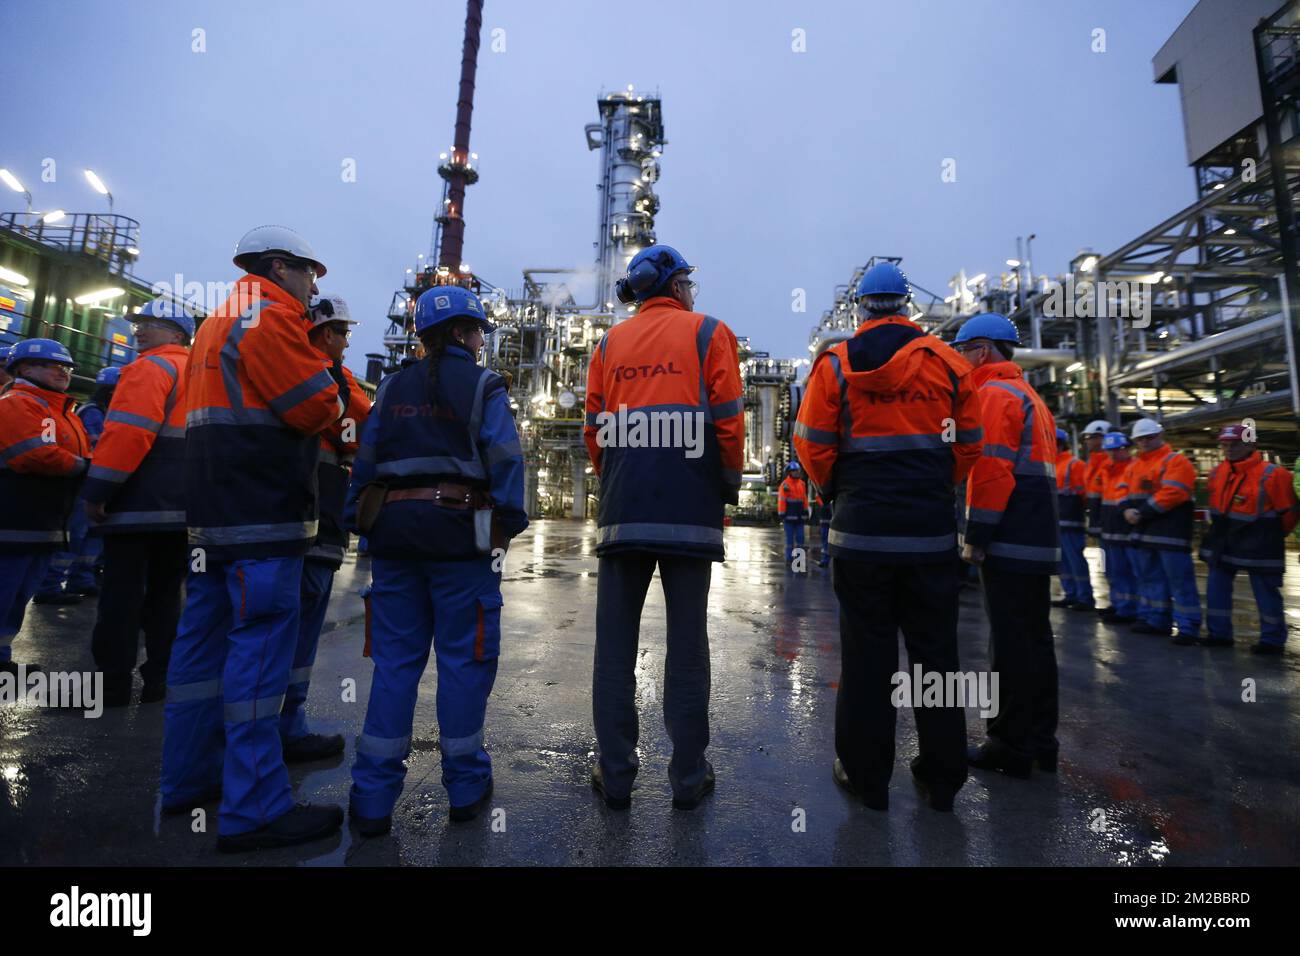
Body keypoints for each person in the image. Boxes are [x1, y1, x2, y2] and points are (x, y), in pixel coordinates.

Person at [161, 225, 349, 852]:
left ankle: (188, 781)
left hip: (212, 512)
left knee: (199, 653)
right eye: (309, 272)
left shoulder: (219, 319)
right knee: (260, 655)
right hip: (262, 510)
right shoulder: (269, 317)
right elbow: (317, 406)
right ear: (279, 267)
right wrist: (330, 385)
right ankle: (255, 808)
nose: (313, 285)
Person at [794, 261, 982, 811]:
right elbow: (970, 445)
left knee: (867, 658)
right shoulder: (949, 365)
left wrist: (841, 492)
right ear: (907, 307)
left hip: (862, 538)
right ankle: (942, 777)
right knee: (936, 658)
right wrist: (932, 488)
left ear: (860, 309)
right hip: (929, 538)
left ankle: (866, 777)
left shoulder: (835, 365)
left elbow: (810, 444)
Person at [346, 285, 527, 835]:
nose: (480, 339)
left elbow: (365, 463)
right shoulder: (482, 384)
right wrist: (501, 529)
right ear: (459, 333)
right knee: (463, 665)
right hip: (459, 539)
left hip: (395, 540)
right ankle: (466, 788)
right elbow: (507, 463)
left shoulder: (391, 388)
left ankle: (372, 799)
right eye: (476, 330)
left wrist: (363, 521)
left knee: (395, 666)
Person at [583, 244, 744, 812]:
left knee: (614, 648)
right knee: (687, 647)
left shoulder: (609, 343)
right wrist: (725, 485)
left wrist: (619, 477)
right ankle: (687, 778)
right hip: (689, 514)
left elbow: (594, 429)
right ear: (675, 287)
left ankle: (618, 776)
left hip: (624, 511)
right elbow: (727, 420)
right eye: (688, 284)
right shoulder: (708, 333)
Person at [954, 313, 1060, 780]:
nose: (958, 361)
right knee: (1036, 642)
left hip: (1009, 538)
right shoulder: (1030, 396)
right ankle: (1040, 743)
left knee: (1010, 645)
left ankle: (1009, 746)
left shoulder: (993, 396)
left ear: (981, 351)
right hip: (1035, 536)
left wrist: (977, 536)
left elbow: (991, 472)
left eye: (961, 351)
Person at [80, 299, 193, 707]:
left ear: (177, 334)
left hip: (137, 505)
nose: (139, 331)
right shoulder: (204, 375)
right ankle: (159, 682)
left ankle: (110, 688)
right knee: (166, 597)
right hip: (183, 510)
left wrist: (98, 493)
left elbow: (129, 434)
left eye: (151, 324)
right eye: (139, 324)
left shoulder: (150, 368)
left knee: (120, 598)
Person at [280, 294, 371, 760]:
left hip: (307, 507)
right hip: (311, 506)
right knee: (298, 612)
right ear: (323, 333)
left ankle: (276, 722)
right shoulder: (320, 373)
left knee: (290, 612)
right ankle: (285, 726)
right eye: (343, 333)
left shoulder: (317, 370)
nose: (347, 341)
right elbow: (359, 419)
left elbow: (357, 422)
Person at [0, 339, 91, 675]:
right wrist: (86, 468)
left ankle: (2, 658)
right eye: (52, 365)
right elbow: (33, 454)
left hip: (40, 521)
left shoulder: (61, 410)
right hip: (13, 520)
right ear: (23, 368)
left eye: (66, 367)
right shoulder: (18, 403)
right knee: (4, 591)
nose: (62, 372)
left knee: (17, 595)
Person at [1199, 424, 1299, 654]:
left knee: (1265, 592)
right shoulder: (1217, 473)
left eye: (1235, 444)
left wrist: (1273, 535)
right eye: (1225, 444)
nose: (1229, 449)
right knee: (1216, 588)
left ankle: (1272, 641)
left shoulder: (1274, 474)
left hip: (1261, 543)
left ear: (1252, 445)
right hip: (1225, 540)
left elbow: (1291, 512)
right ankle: (1219, 635)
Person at [34, 365, 118, 604]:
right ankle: (49, 585)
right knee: (75, 534)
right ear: (112, 392)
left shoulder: (99, 411)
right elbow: (100, 447)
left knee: (93, 534)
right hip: (87, 480)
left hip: (97, 479)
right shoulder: (93, 412)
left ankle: (82, 579)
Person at [1122, 418, 1202, 644]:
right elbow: (1124, 492)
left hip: (1170, 534)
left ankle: (1188, 627)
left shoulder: (1175, 461)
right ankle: (1157, 620)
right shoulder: (1135, 466)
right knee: (1151, 580)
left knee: (1180, 582)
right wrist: (1127, 508)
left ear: (1160, 436)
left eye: (1149, 437)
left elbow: (1174, 493)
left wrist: (1140, 512)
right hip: (1146, 534)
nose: (1145, 442)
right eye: (1140, 439)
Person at [1097, 432, 1140, 624]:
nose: (1113, 454)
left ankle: (1131, 610)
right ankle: (1120, 605)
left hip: (1127, 529)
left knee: (1130, 572)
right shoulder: (1107, 470)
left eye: (1117, 449)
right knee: (1113, 571)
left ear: (1127, 448)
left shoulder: (1133, 468)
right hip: (1110, 529)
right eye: (1110, 450)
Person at [1052, 427, 1094, 610]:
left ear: (1058, 444)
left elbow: (1084, 494)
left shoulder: (1074, 465)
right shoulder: (1050, 464)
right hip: (1055, 523)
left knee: (1075, 560)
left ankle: (1084, 598)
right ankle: (1070, 594)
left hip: (1071, 522)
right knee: (1062, 561)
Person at [1081, 419, 1112, 555]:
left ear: (1102, 438)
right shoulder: (1091, 463)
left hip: (1111, 521)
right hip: (1098, 519)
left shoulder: (1111, 462)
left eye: (1090, 437)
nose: (1087, 441)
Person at [777, 461, 809, 566]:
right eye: (794, 471)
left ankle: (799, 560)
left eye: (797, 471)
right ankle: (789, 559)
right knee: (789, 540)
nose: (796, 473)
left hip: (799, 517)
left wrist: (806, 511)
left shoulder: (802, 484)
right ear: (789, 472)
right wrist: (782, 513)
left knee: (800, 539)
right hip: (789, 517)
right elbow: (782, 500)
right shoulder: (785, 485)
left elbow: (804, 499)